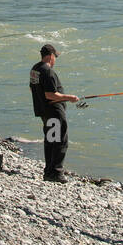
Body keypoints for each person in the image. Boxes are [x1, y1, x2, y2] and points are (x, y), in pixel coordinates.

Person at [29, 43, 78, 182]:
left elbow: (32, 88)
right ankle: (56, 172)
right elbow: (50, 94)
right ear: (50, 56)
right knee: (60, 141)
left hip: (44, 111)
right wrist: (70, 98)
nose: (55, 59)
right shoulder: (47, 71)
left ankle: (49, 171)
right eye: (55, 56)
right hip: (54, 111)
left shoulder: (35, 69)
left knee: (51, 140)